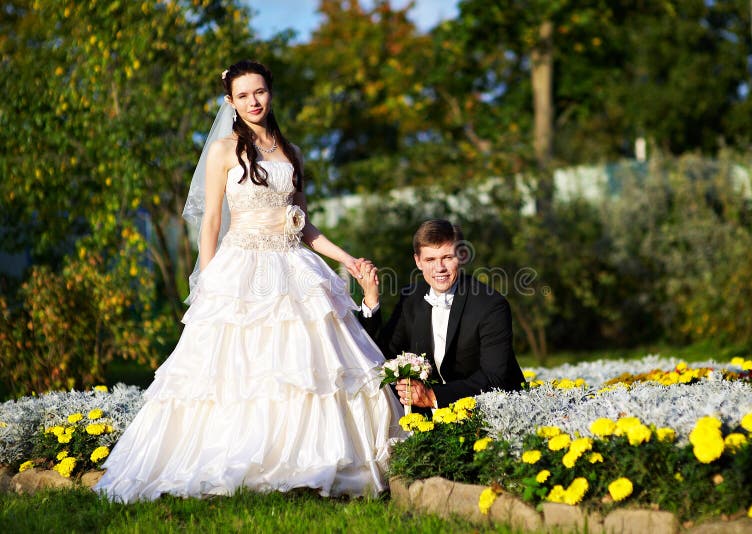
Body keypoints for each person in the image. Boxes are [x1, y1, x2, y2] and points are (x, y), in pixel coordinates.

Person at [94, 60, 404, 503]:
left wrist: (349, 259)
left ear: (270, 93)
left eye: (259, 92)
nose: (253, 102)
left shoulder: (292, 153)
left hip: (294, 264)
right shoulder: (223, 151)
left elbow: (304, 225)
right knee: (238, 372)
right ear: (231, 102)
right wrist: (209, 280)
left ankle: (309, 456)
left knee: (310, 368)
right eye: (243, 96)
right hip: (241, 264)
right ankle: (241, 458)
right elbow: (211, 222)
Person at [356, 219, 525, 411]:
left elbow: (494, 378)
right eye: (430, 260)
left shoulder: (491, 306)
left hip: (494, 415)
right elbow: (382, 357)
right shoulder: (410, 298)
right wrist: (371, 298)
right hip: (429, 418)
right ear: (418, 261)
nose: (439, 268)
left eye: (447, 257)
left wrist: (432, 396)